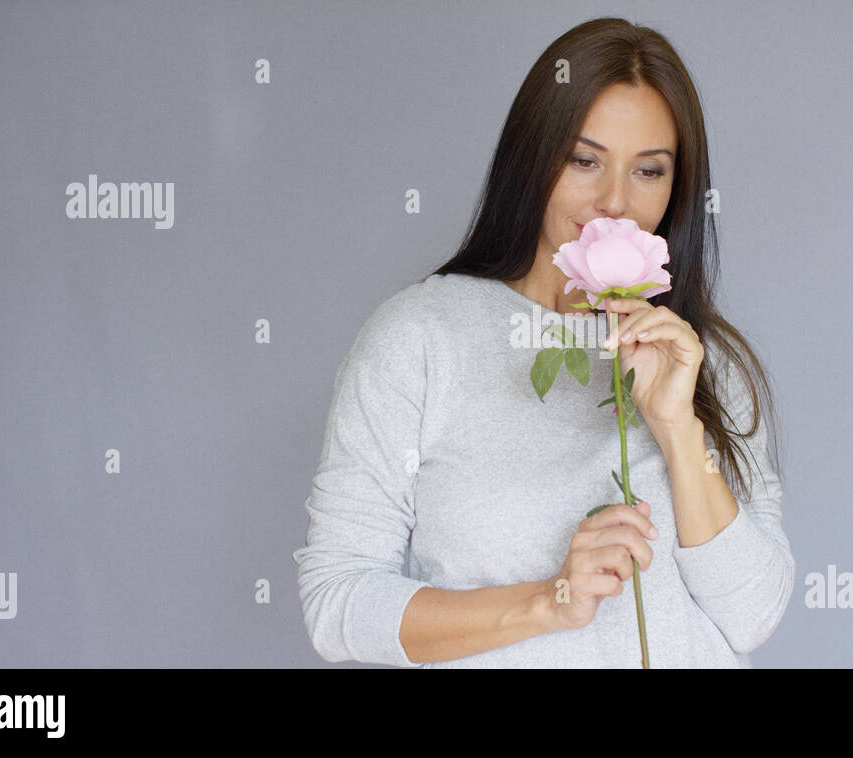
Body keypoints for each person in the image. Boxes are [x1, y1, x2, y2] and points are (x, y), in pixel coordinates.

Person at [293, 17, 796, 668]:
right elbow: (338, 603)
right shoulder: (420, 339)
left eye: (649, 171)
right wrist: (546, 603)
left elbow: (752, 616)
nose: (614, 201)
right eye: (584, 160)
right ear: (532, 157)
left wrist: (677, 429)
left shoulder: (698, 358)